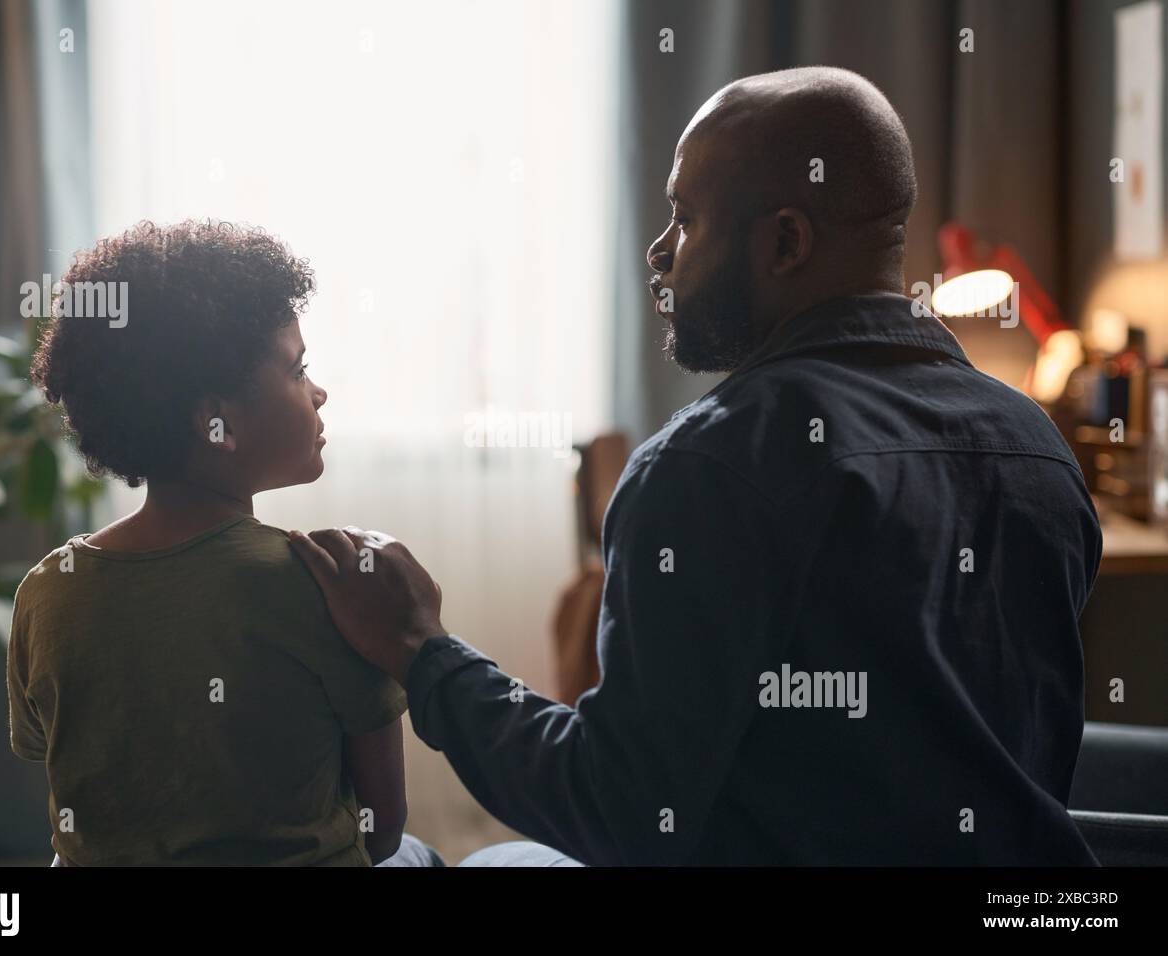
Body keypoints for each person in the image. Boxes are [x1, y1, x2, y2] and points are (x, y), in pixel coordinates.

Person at [288, 67, 1102, 866]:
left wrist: (420, 648)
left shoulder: (710, 465)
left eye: (684, 218)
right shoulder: (1037, 446)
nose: (659, 251)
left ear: (786, 241)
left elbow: (620, 814)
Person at [9, 219, 442, 867]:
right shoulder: (325, 585)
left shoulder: (48, 589)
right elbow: (379, 830)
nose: (319, 391)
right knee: (418, 855)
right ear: (218, 424)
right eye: (299, 370)